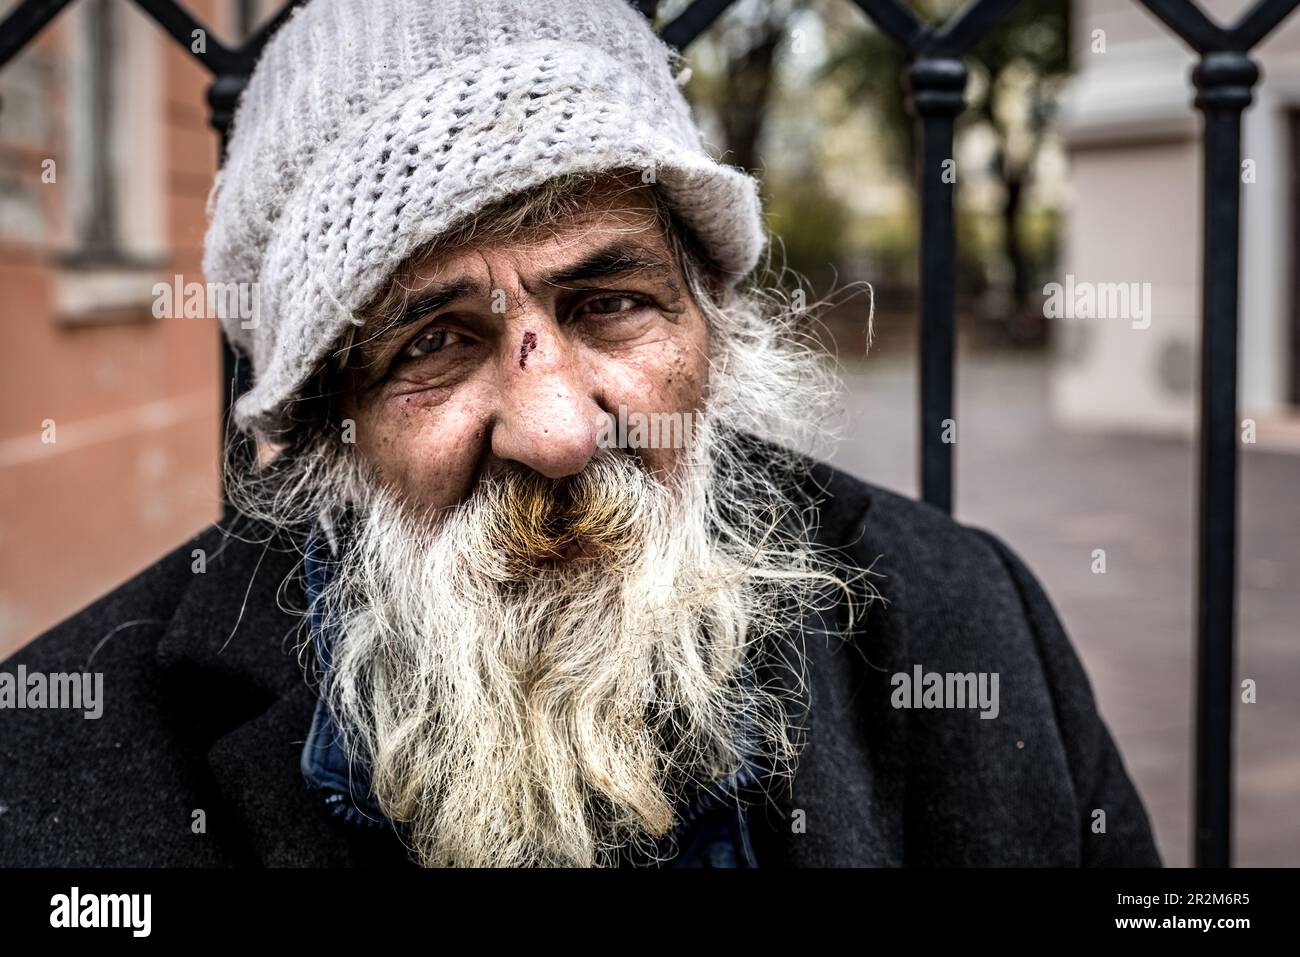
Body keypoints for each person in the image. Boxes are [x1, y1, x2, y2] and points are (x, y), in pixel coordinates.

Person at [0, 0, 1160, 868]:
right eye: (430, 346)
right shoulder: (57, 769)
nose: (556, 432)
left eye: (611, 304)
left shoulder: (965, 621)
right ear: (328, 431)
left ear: (709, 321)